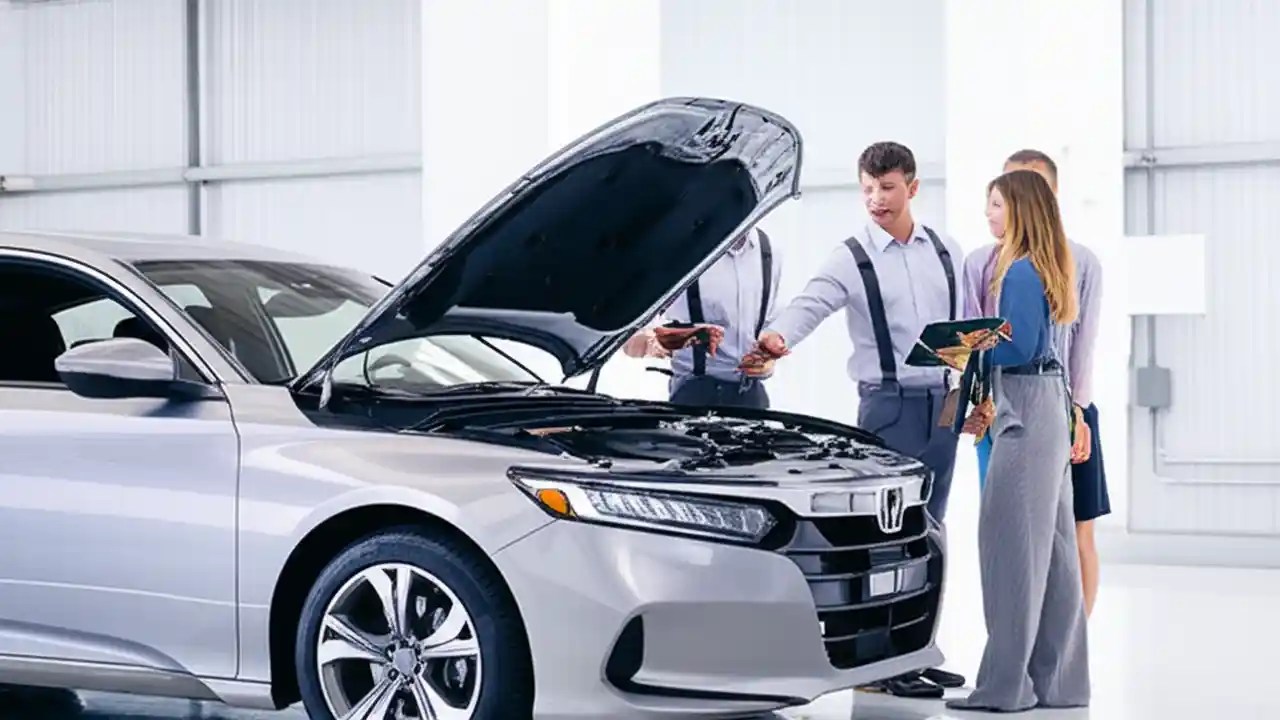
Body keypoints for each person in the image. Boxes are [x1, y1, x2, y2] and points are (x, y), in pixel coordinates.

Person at [750, 141, 966, 698]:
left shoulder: (945, 249)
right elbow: (813, 302)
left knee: (929, 534)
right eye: (868, 189)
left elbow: (967, 324)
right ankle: (877, 666)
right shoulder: (851, 255)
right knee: (883, 537)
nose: (876, 200)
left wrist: (976, 386)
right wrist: (777, 339)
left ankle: (914, 652)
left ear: (913, 188)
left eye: (888, 188)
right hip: (886, 407)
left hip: (943, 405)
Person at [947, 169, 1090, 713]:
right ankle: (1060, 684)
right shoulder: (1051, 267)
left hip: (1025, 407)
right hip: (1050, 403)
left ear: (1020, 212)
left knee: (1008, 548)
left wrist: (962, 347)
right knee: (1053, 554)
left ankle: (1005, 688)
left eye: (996, 205)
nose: (989, 215)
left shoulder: (1020, 272)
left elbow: (1018, 347)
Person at [963, 149, 1109, 617]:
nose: (997, 207)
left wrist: (1079, 413)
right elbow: (975, 331)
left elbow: (1076, 345)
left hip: (1060, 402)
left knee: (1069, 527)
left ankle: (1060, 644)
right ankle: (1037, 648)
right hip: (1005, 404)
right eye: (998, 193)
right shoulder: (983, 263)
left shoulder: (1072, 262)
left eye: (1003, 200)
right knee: (1014, 528)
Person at [623, 227, 781, 408]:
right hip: (694, 398)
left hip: (753, 398)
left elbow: (771, 325)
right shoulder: (679, 249)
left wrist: (768, 356)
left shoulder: (769, 250)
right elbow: (632, 340)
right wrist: (676, 339)